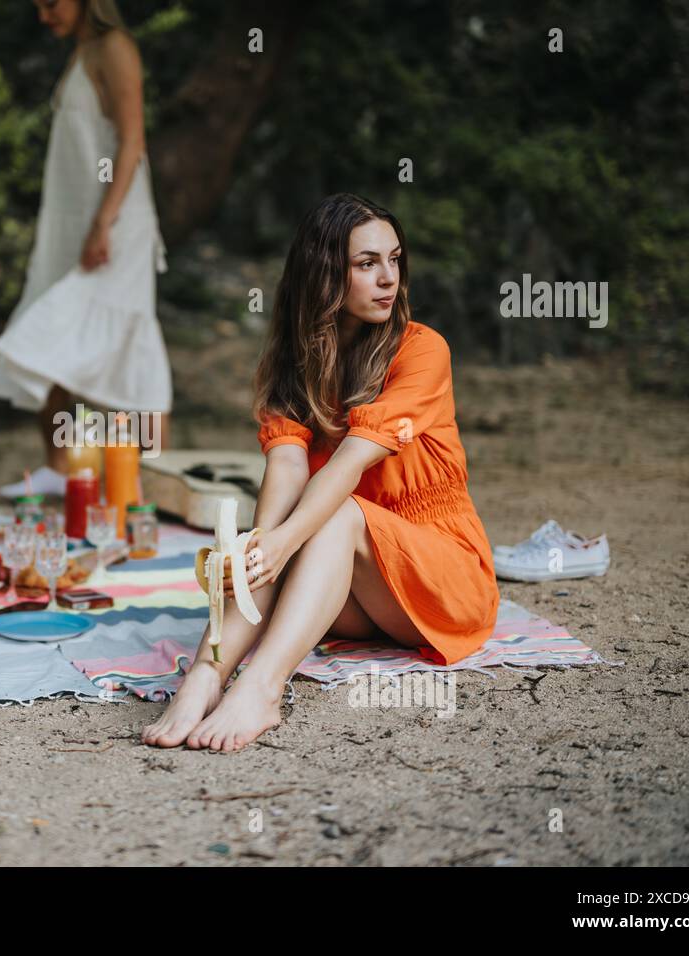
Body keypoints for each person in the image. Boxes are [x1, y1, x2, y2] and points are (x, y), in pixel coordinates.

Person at [141, 194, 500, 752]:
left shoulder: (422, 350)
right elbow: (284, 463)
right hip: (359, 595)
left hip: (439, 577)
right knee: (274, 537)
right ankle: (203, 680)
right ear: (325, 274)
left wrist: (284, 541)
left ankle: (262, 688)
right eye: (366, 264)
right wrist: (263, 547)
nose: (389, 279)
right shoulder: (298, 360)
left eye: (395, 259)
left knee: (329, 514)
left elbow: (352, 461)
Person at [0, 0, 171, 497]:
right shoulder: (82, 50)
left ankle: (149, 473)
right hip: (71, 224)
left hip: (114, 221)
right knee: (48, 336)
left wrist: (103, 222)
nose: (43, 14)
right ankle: (62, 468)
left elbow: (132, 141)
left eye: (51, 2)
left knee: (112, 336)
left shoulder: (115, 47)